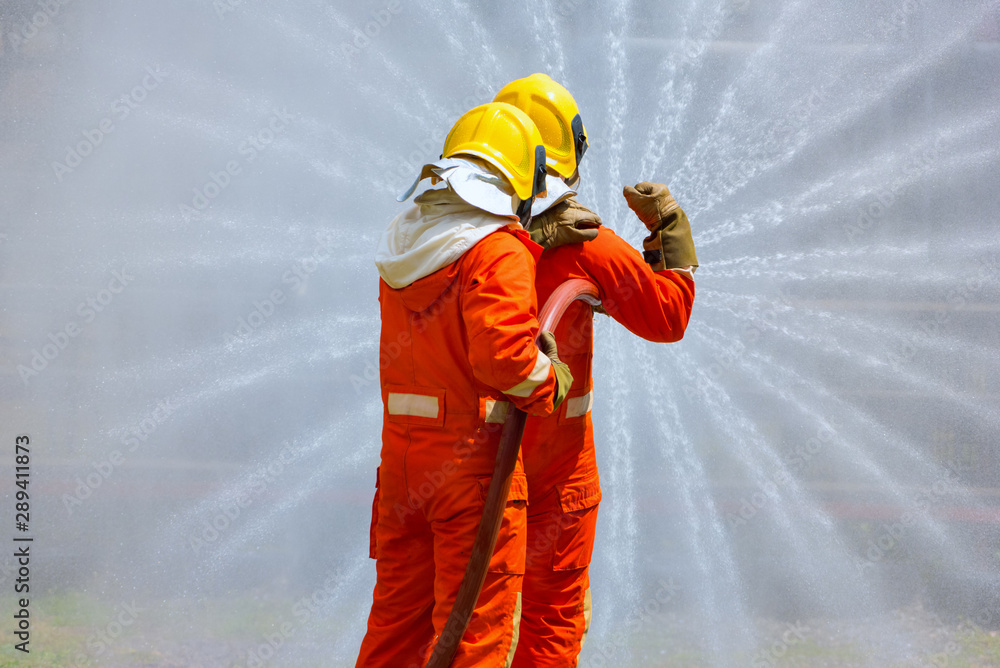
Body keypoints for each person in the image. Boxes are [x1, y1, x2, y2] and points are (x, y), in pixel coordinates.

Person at [356, 101, 575, 668]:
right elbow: (505, 362)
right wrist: (549, 377)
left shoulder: (405, 242)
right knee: (474, 638)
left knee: (394, 635)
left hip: (403, 466)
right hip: (468, 471)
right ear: (517, 181)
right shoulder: (496, 250)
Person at [493, 73, 698, 667]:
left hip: (474, 470)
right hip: (556, 475)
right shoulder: (585, 244)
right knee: (551, 623)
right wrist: (669, 229)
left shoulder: (458, 240)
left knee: (468, 621)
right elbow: (668, 316)